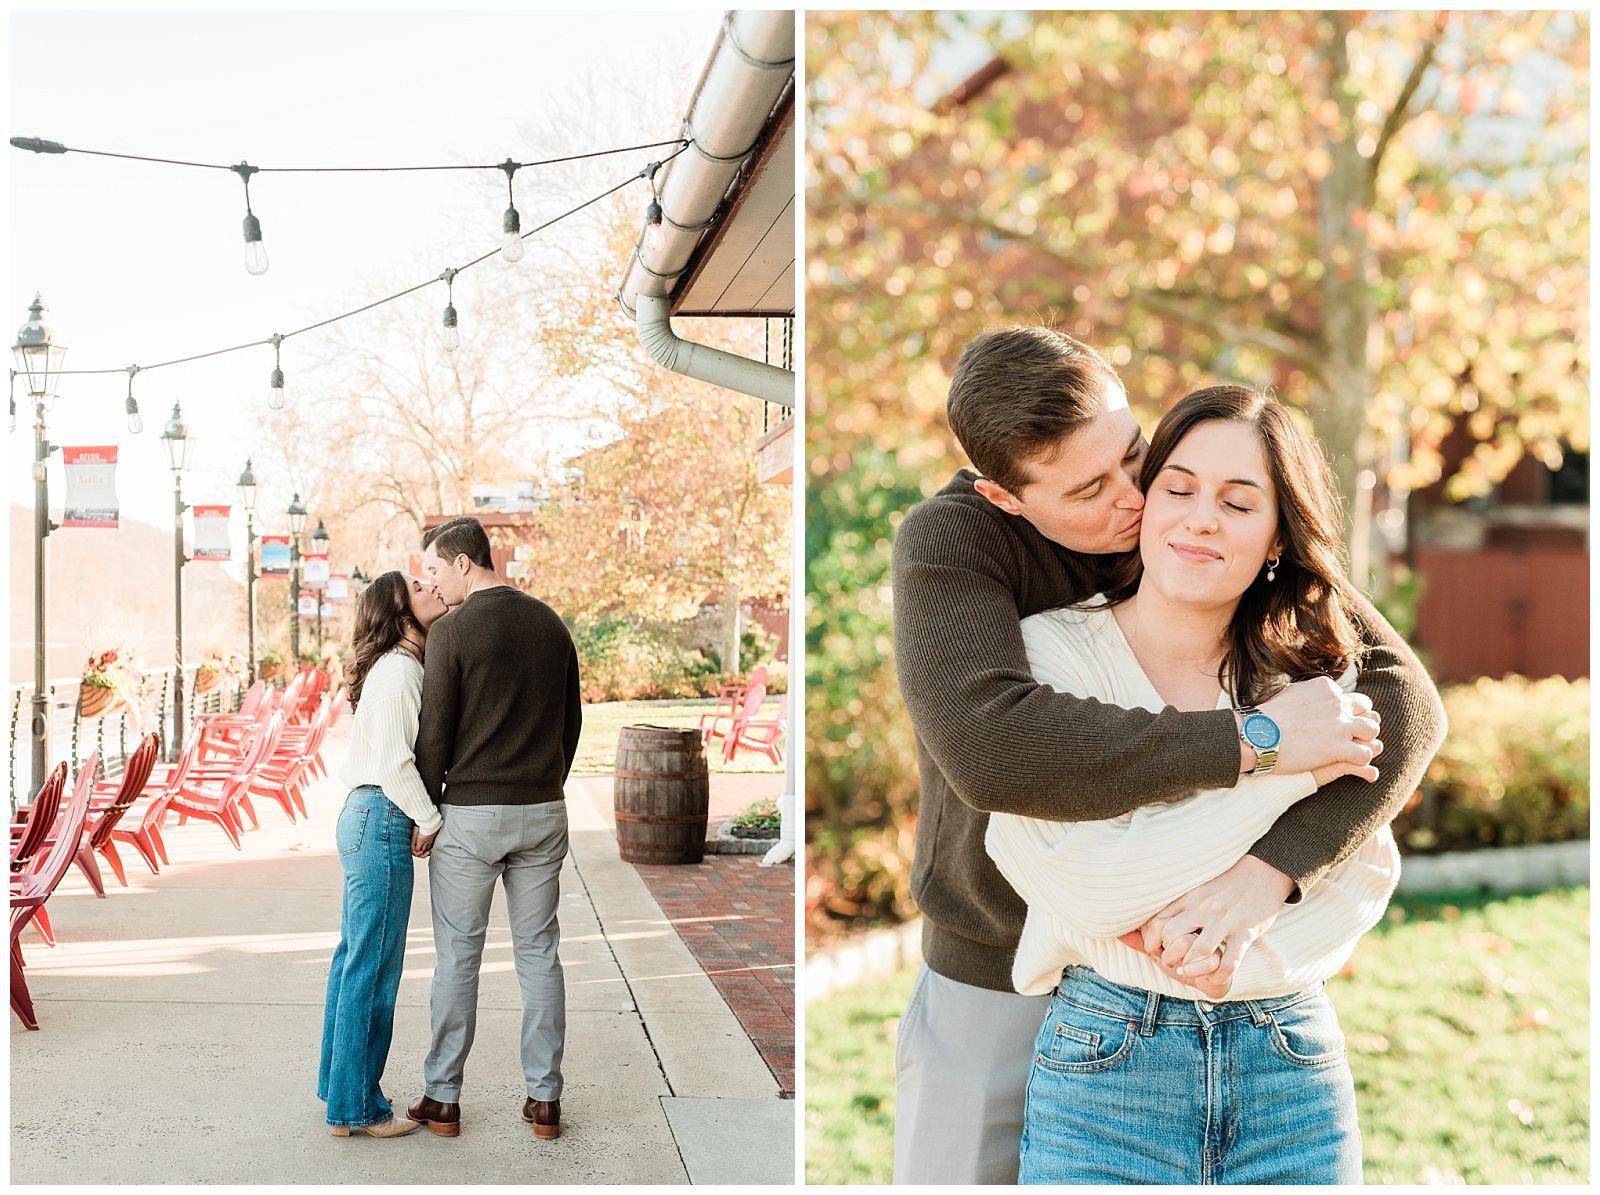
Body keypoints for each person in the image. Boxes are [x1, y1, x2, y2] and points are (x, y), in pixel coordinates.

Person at [890, 326, 1446, 1184]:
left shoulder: (1203, 513)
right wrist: (1264, 745)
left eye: (1134, 456)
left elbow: (1402, 701)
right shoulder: (954, 541)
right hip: (996, 964)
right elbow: (993, 747)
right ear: (1006, 498)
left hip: (1240, 1014)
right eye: (1088, 489)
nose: (1137, 498)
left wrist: (1271, 873)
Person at [406, 516, 583, 1140]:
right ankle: (545, 1100)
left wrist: (426, 814)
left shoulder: (452, 634)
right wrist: (545, 780)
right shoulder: (551, 624)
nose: (432, 585)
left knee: (458, 955)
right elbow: (572, 723)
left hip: (472, 816)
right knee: (539, 952)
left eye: (434, 571)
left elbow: (435, 737)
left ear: (463, 562)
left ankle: (444, 1098)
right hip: (543, 809)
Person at [319, 571, 449, 1138]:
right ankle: (358, 1108)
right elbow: (397, 762)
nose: (434, 589)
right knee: (373, 970)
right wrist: (430, 817)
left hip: (366, 816)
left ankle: (341, 1091)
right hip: (382, 818)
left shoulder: (393, 668)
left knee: (355, 962)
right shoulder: (399, 672)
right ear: (401, 613)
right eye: (420, 587)